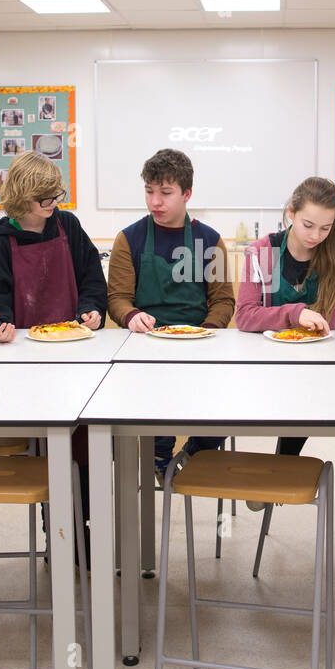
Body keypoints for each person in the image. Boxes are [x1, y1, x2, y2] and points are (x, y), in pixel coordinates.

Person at [0, 153, 106, 563]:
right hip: (27, 362)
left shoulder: (67, 226)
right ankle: (59, 533)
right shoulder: (0, 243)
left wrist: (92, 308)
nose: (52, 204)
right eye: (43, 199)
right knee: (47, 451)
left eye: (55, 196)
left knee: (83, 444)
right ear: (21, 197)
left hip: (74, 351)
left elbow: (91, 279)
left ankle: (83, 528)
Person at [107, 148, 235, 477]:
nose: (155, 202)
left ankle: (194, 451)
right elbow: (118, 298)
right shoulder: (128, 240)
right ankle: (158, 455)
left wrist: (205, 330)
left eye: (165, 193)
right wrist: (131, 315)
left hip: (200, 345)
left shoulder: (211, 241)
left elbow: (223, 301)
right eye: (149, 192)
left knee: (227, 409)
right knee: (153, 404)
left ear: (187, 193)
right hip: (145, 347)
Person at [236, 177, 335, 506]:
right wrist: (294, 313)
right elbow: (244, 316)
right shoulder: (260, 252)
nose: (316, 236)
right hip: (266, 364)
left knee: (318, 397)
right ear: (291, 214)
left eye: (326, 228)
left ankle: (282, 469)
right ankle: (272, 470)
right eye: (308, 225)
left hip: (316, 366)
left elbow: (333, 323)